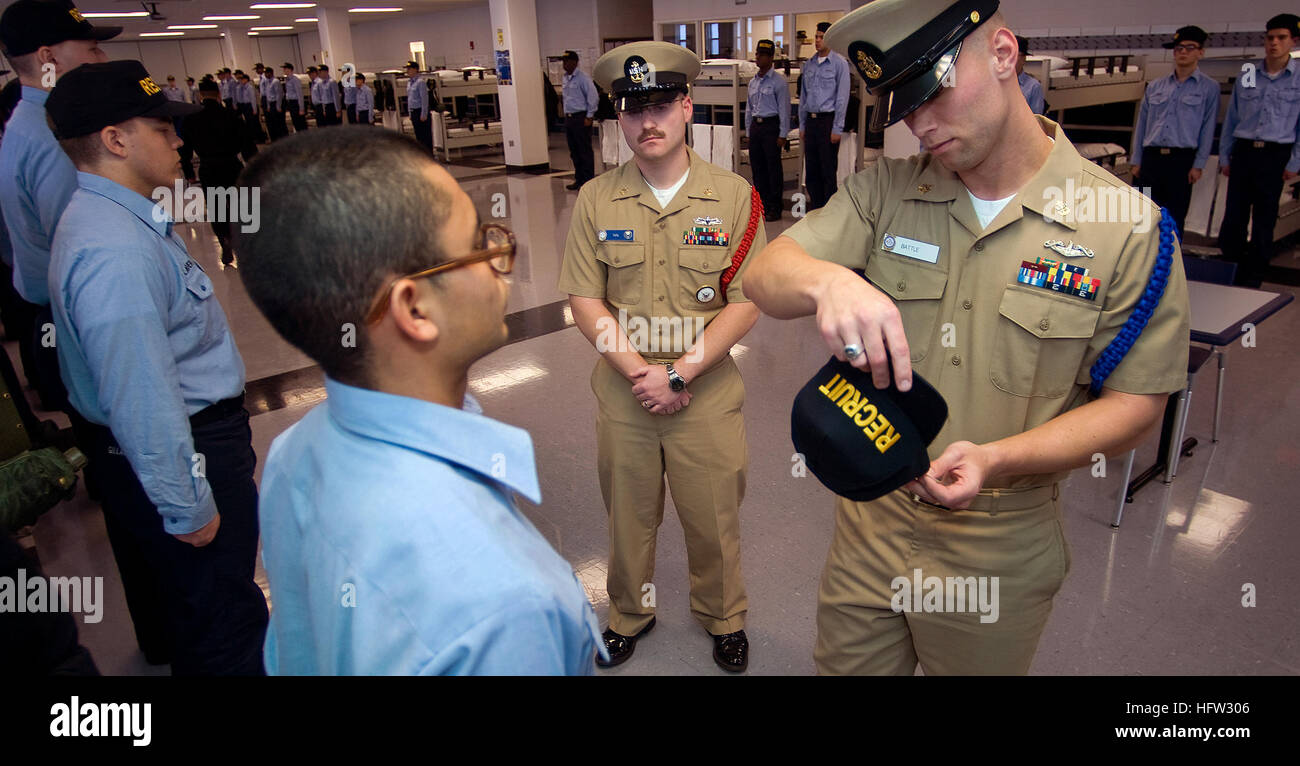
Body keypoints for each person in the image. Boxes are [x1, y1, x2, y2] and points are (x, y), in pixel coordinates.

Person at [743, 0, 1190, 675]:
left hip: (999, 540)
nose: (920, 123)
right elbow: (765, 274)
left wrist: (997, 460)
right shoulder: (887, 191)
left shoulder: (1124, 229)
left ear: (1003, 55)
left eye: (932, 91)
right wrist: (828, 284)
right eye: (903, 105)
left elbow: (1136, 408)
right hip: (872, 522)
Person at [235, 126, 604, 675]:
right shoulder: (507, 608)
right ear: (414, 309)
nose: (500, 256)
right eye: (479, 243)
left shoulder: (293, 454)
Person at [46, 59, 268, 675]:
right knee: (224, 622)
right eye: (162, 128)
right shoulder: (113, 250)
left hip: (186, 443)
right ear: (116, 140)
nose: (178, 139)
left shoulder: (122, 218)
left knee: (201, 607)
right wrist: (186, 504)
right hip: (190, 448)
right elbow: (140, 394)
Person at [559, 41, 765, 672]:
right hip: (626, 394)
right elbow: (585, 301)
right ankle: (627, 614)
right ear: (617, 118)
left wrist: (679, 373)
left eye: (659, 106)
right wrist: (641, 374)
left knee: (713, 519)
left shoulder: (735, 197)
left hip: (705, 392)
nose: (646, 122)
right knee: (629, 517)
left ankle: (724, 617)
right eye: (631, 109)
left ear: (686, 106)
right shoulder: (596, 200)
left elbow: (747, 301)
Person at [0, 0, 118, 413]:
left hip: (54, 315)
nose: (101, 58)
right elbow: (85, 253)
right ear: (48, 57)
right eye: (91, 49)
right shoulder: (54, 137)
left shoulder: (24, 124)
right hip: (85, 326)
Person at [1217, 13, 1300, 287]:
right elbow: (1233, 118)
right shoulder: (1250, 74)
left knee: (1264, 220)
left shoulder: (1297, 78)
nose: (1274, 43)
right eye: (1270, 38)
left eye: (1281, 38)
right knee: (1234, 219)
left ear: (1293, 41)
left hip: (1275, 154)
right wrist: (1226, 155)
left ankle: (1253, 280)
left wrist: (1295, 162)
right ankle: (1230, 272)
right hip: (1244, 152)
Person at [1130, 25, 1218, 240]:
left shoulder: (1208, 88)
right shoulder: (1156, 86)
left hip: (1181, 160)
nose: (1183, 52)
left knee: (1175, 213)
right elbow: (1142, 124)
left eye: (1189, 47)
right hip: (1151, 158)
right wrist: (1136, 159)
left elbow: (1208, 128)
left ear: (1201, 52)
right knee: (1144, 211)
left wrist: (1198, 164)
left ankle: (1169, 262)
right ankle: (1141, 260)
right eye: (1179, 48)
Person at [182, 77, 258, 266]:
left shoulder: (191, 119)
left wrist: (189, 171)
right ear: (218, 94)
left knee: (216, 208)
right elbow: (247, 144)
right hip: (231, 165)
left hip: (209, 168)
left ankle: (224, 238)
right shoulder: (231, 116)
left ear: (200, 95)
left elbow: (184, 150)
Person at [798, 21, 851, 211]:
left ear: (829, 38)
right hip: (811, 122)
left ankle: (829, 213)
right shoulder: (809, 64)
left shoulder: (839, 64)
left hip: (827, 122)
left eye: (821, 37)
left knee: (827, 170)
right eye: (816, 37)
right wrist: (802, 125)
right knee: (811, 171)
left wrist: (837, 128)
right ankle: (815, 211)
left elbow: (842, 98)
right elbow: (804, 96)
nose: (817, 41)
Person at [746, 39, 791, 222]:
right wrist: (749, 132)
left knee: (773, 169)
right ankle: (761, 205)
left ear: (771, 58)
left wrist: (783, 134)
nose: (758, 58)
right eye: (757, 54)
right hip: (756, 127)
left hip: (771, 126)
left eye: (763, 55)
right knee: (757, 169)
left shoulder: (779, 82)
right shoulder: (753, 82)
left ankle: (775, 207)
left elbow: (785, 110)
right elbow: (749, 109)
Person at [561, 50, 599, 190]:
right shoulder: (565, 78)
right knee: (574, 151)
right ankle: (579, 179)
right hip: (569, 118)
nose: (564, 64)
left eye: (567, 61)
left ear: (575, 62)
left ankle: (588, 181)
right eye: (563, 61)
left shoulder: (583, 78)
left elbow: (593, 97)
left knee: (584, 150)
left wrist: (589, 116)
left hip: (581, 117)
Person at [405, 60, 432, 152]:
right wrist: (409, 112)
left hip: (420, 111)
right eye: (407, 69)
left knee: (426, 136)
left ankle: (429, 156)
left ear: (415, 69)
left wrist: (424, 114)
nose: (407, 71)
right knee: (418, 136)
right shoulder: (409, 83)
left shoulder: (420, 82)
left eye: (409, 69)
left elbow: (424, 99)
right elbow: (409, 99)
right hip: (414, 112)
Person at [1015, 36, 1045, 115]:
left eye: (1015, 56)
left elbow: (1037, 120)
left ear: (1023, 59)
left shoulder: (1033, 87)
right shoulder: (998, 85)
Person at [282, 62, 307, 133]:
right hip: (291, 103)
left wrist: (301, 108)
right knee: (295, 122)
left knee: (301, 123)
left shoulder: (295, 80)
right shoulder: (287, 80)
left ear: (289, 69)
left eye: (285, 68)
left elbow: (300, 94)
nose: (283, 70)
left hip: (296, 103)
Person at [263, 68, 287, 141]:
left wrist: (278, 106)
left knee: (280, 123)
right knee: (274, 123)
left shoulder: (275, 81)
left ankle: (284, 139)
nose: (266, 74)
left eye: (267, 73)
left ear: (271, 73)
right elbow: (267, 94)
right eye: (265, 73)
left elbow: (279, 95)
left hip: (277, 103)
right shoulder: (267, 82)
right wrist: (268, 105)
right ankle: (277, 139)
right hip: (271, 104)